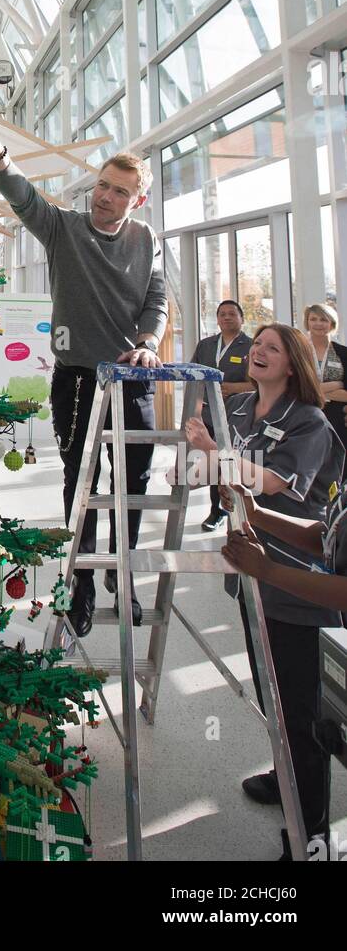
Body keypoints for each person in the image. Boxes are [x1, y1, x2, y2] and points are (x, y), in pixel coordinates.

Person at [0, 124, 168, 637]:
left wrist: (148, 342)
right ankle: (81, 584)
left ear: (136, 200)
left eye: (120, 190)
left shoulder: (146, 240)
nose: (106, 196)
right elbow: (25, 198)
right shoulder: (64, 228)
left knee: (134, 482)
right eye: (103, 184)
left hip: (131, 378)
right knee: (81, 483)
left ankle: (122, 573)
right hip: (77, 379)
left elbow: (156, 299)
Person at [181, 323, 342, 859]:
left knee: (301, 710)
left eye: (272, 348)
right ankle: (284, 773)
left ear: (294, 363)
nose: (259, 352)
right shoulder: (244, 409)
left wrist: (211, 451)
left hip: (296, 582)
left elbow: (273, 483)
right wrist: (192, 464)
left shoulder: (310, 422)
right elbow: (226, 472)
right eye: (257, 346)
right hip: (250, 574)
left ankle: (310, 831)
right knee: (274, 695)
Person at [190, 300, 255, 531]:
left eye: (232, 314)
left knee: (235, 463)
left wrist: (233, 388)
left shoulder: (251, 346)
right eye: (222, 314)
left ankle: (245, 512)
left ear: (242, 319)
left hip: (239, 415)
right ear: (217, 319)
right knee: (213, 463)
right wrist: (194, 412)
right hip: (208, 415)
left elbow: (258, 383)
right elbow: (193, 380)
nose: (227, 318)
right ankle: (216, 511)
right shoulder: (206, 345)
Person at [303, 302, 347, 454]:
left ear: (332, 324)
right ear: (307, 322)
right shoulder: (298, 352)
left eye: (323, 320)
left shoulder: (343, 353)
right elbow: (296, 387)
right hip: (305, 416)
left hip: (339, 420)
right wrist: (338, 384)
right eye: (313, 319)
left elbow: (305, 389)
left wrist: (312, 389)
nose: (318, 323)